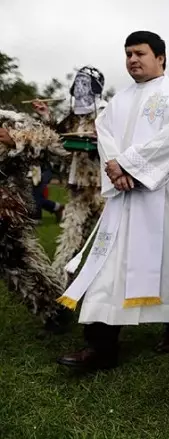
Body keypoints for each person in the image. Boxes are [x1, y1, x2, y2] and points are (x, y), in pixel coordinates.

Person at [55, 30, 169, 371]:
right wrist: (117, 170)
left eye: (140, 53)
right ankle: (101, 346)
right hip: (124, 197)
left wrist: (129, 166)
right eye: (128, 54)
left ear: (160, 57)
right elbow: (106, 137)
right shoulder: (118, 100)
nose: (132, 60)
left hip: (162, 196)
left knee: (164, 267)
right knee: (108, 267)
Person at [33, 66, 108, 287]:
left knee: (112, 240)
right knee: (70, 239)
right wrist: (46, 115)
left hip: (106, 189)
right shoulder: (73, 116)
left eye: (86, 84)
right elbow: (57, 138)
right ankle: (60, 286)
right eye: (79, 84)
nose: (81, 89)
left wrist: (99, 140)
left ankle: (115, 287)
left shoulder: (106, 112)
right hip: (80, 189)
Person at [0, 108, 69, 333]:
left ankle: (53, 307)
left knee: (18, 262)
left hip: (6, 206)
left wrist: (15, 140)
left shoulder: (10, 120)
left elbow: (51, 142)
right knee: (14, 265)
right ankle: (53, 306)